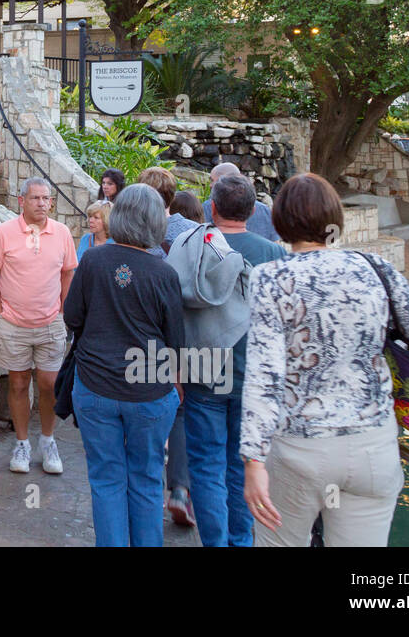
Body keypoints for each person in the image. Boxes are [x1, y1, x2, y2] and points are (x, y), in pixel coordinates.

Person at [240, 173, 409, 546]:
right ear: (334, 219)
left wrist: (253, 461)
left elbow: (265, 376)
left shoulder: (271, 278)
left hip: (299, 450)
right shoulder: (375, 268)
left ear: (280, 220)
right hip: (372, 448)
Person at [167, 174, 287, 547]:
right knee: (243, 465)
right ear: (253, 210)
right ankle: (241, 541)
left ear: (212, 208)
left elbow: (174, 312)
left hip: (202, 369)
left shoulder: (191, 246)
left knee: (205, 466)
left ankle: (215, 542)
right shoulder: (274, 254)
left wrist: (175, 369)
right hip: (253, 376)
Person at [64, 183, 185, 546]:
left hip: (95, 386)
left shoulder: (93, 261)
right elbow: (175, 343)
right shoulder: (164, 274)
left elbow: (72, 317)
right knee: (147, 479)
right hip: (149, 392)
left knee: (106, 480)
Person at [0, 177, 77, 475]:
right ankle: (22, 443)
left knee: (50, 385)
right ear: (21, 201)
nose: (41, 203)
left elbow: (67, 275)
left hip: (51, 323)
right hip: (13, 324)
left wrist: (64, 311)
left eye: (45, 198)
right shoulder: (4, 233)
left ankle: (48, 440)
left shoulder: (62, 233)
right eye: (35, 198)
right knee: (19, 382)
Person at [136, 165, 195, 524]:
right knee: (180, 411)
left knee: (142, 411)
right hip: (183, 335)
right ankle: (179, 490)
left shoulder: (131, 232)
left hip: (141, 339)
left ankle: (147, 489)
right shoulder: (193, 233)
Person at [201, 162, 279, 241]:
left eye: (212, 180)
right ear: (252, 210)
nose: (210, 185)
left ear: (223, 180)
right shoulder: (265, 210)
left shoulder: (208, 207)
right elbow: (275, 243)